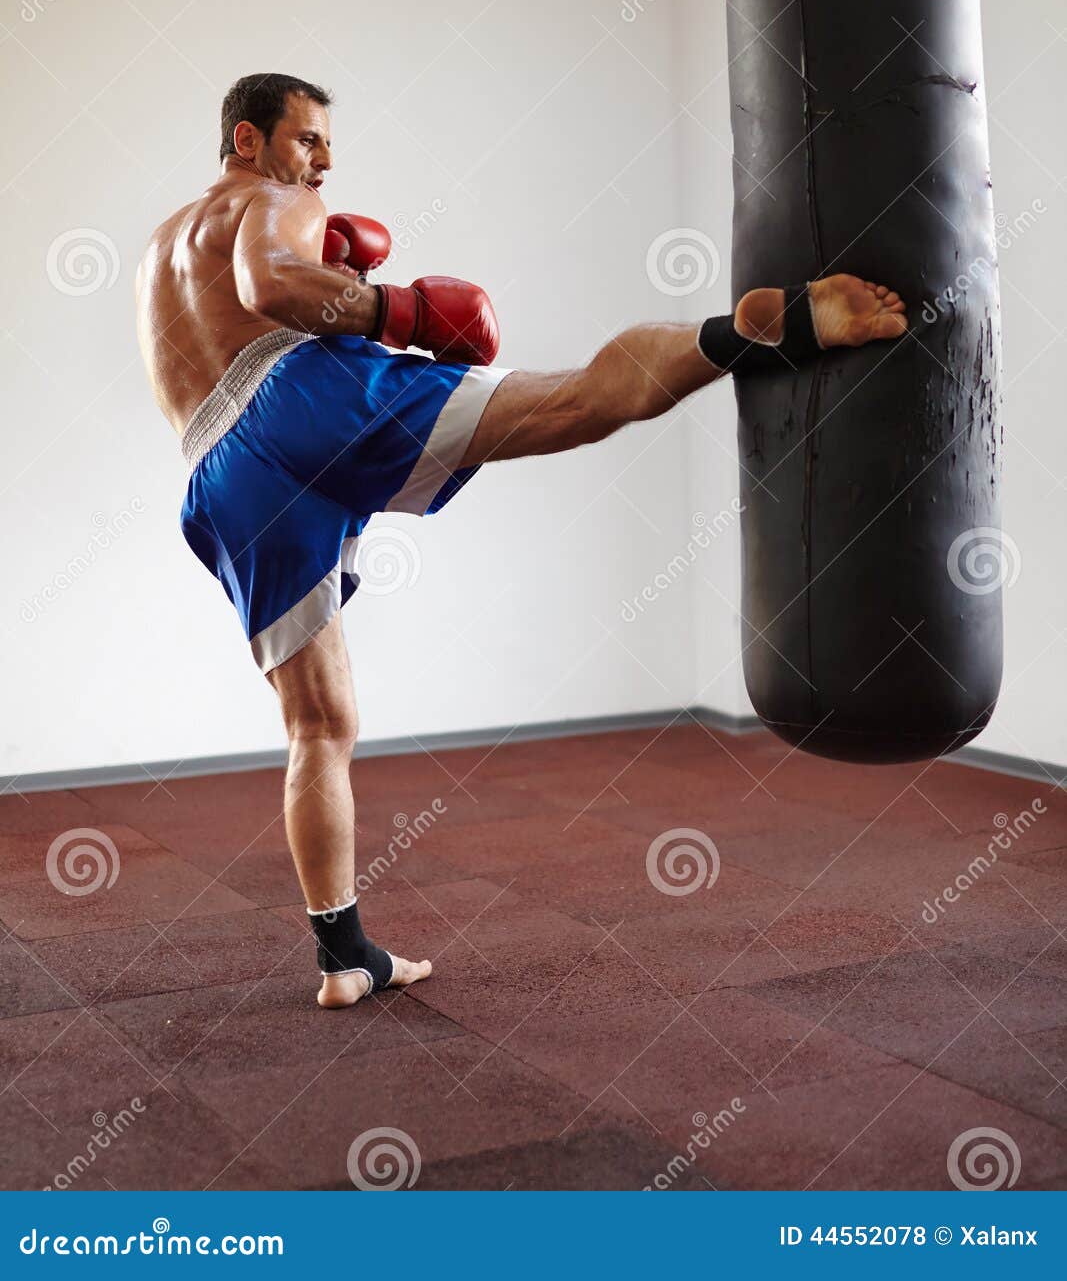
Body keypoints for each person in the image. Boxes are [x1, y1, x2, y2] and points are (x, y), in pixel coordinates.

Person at [136, 73, 908, 1008]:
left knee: (319, 727)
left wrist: (352, 298)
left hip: (216, 474)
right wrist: (402, 313)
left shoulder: (157, 251)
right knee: (577, 400)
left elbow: (228, 321)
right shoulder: (272, 199)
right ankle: (755, 330)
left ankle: (343, 957)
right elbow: (267, 286)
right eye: (307, 141)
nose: (324, 163)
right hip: (300, 396)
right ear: (248, 141)